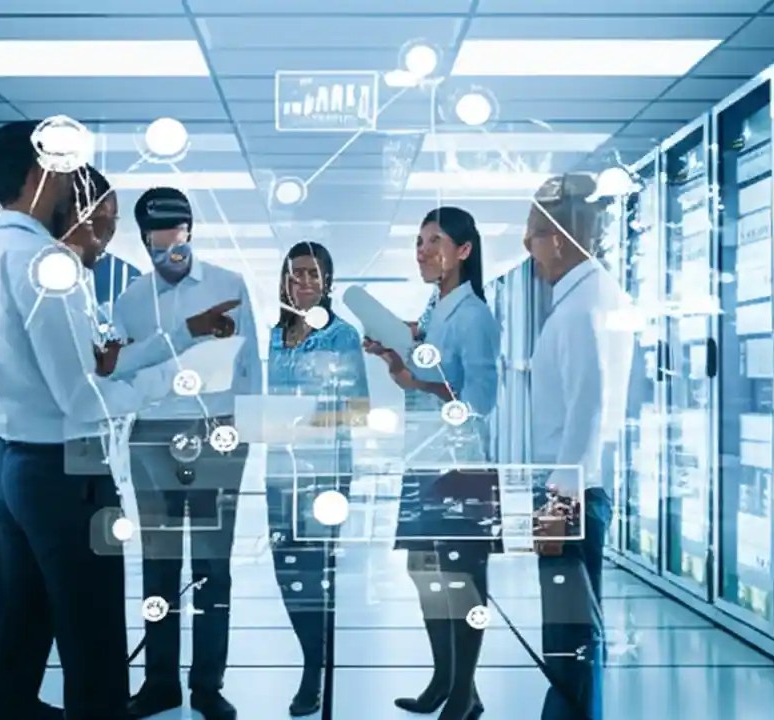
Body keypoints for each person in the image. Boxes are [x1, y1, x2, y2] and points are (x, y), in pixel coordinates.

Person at [0, 122, 173, 720]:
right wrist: (167, 380)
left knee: (22, 617)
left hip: (9, 467)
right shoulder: (45, 262)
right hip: (67, 470)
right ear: (40, 174)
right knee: (93, 634)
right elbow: (83, 400)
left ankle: (8, 712)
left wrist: (17, 399)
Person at [116, 187, 263, 720]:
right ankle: (160, 683)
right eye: (158, 244)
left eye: (178, 240)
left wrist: (243, 434)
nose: (170, 252)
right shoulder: (130, 300)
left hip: (216, 434)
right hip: (152, 437)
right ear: (143, 240)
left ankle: (207, 685)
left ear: (191, 232)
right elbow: (121, 371)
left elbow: (250, 366)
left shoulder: (228, 285)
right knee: (158, 567)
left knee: (211, 566)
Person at [364, 207, 500, 720]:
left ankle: (463, 695)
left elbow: (481, 400)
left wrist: (414, 381)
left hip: (462, 469)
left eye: (434, 241)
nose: (422, 251)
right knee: (424, 571)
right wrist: (397, 356)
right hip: (424, 461)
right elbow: (432, 367)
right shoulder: (436, 308)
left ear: (463, 250)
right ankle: (446, 680)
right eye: (419, 242)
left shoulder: (474, 316)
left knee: (462, 582)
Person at [523, 174, 635, 720]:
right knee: (574, 629)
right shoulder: (593, 295)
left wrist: (558, 502)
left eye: (532, 236)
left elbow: (587, 408)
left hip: (570, 495)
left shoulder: (581, 307)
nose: (528, 248)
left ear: (558, 240)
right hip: (577, 490)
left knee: (570, 635)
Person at [265, 241, 369, 716]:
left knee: (314, 572)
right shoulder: (274, 336)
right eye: (296, 273)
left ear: (328, 282)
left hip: (325, 472)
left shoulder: (342, 336)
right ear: (284, 281)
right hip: (279, 471)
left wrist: (304, 422)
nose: (304, 281)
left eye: (313, 273)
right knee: (286, 571)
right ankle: (312, 656)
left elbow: (358, 408)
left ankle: (314, 671)